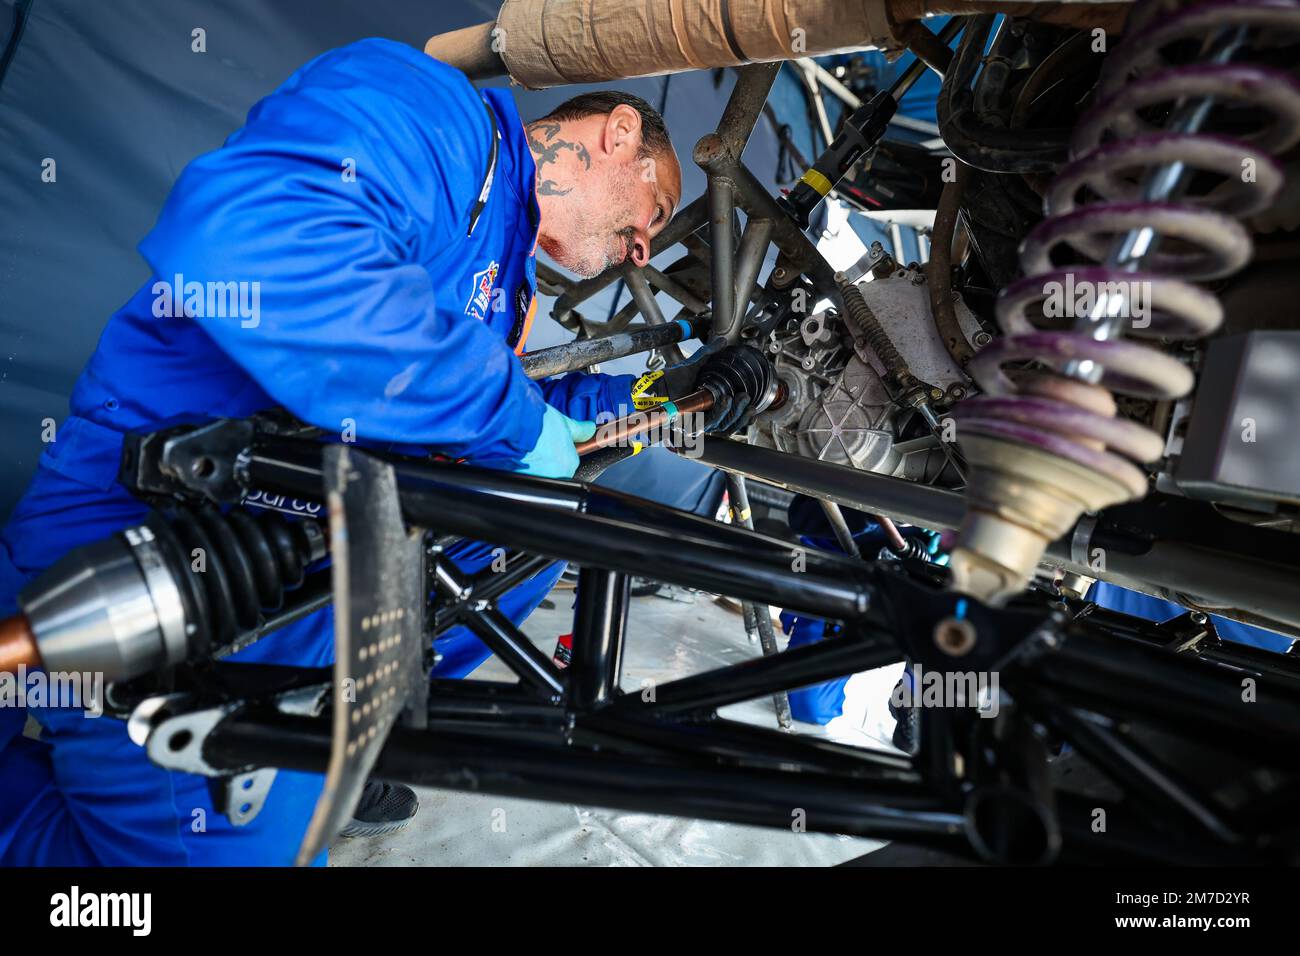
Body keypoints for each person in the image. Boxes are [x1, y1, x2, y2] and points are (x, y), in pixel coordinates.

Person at [0, 38, 683, 865]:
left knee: (532, 526)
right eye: (656, 211)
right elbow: (261, 246)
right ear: (618, 133)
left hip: (293, 556)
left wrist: (667, 401)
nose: (643, 250)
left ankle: (342, 731)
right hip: (156, 526)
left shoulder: (508, 278)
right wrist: (507, 414)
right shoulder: (438, 115)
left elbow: (508, 406)